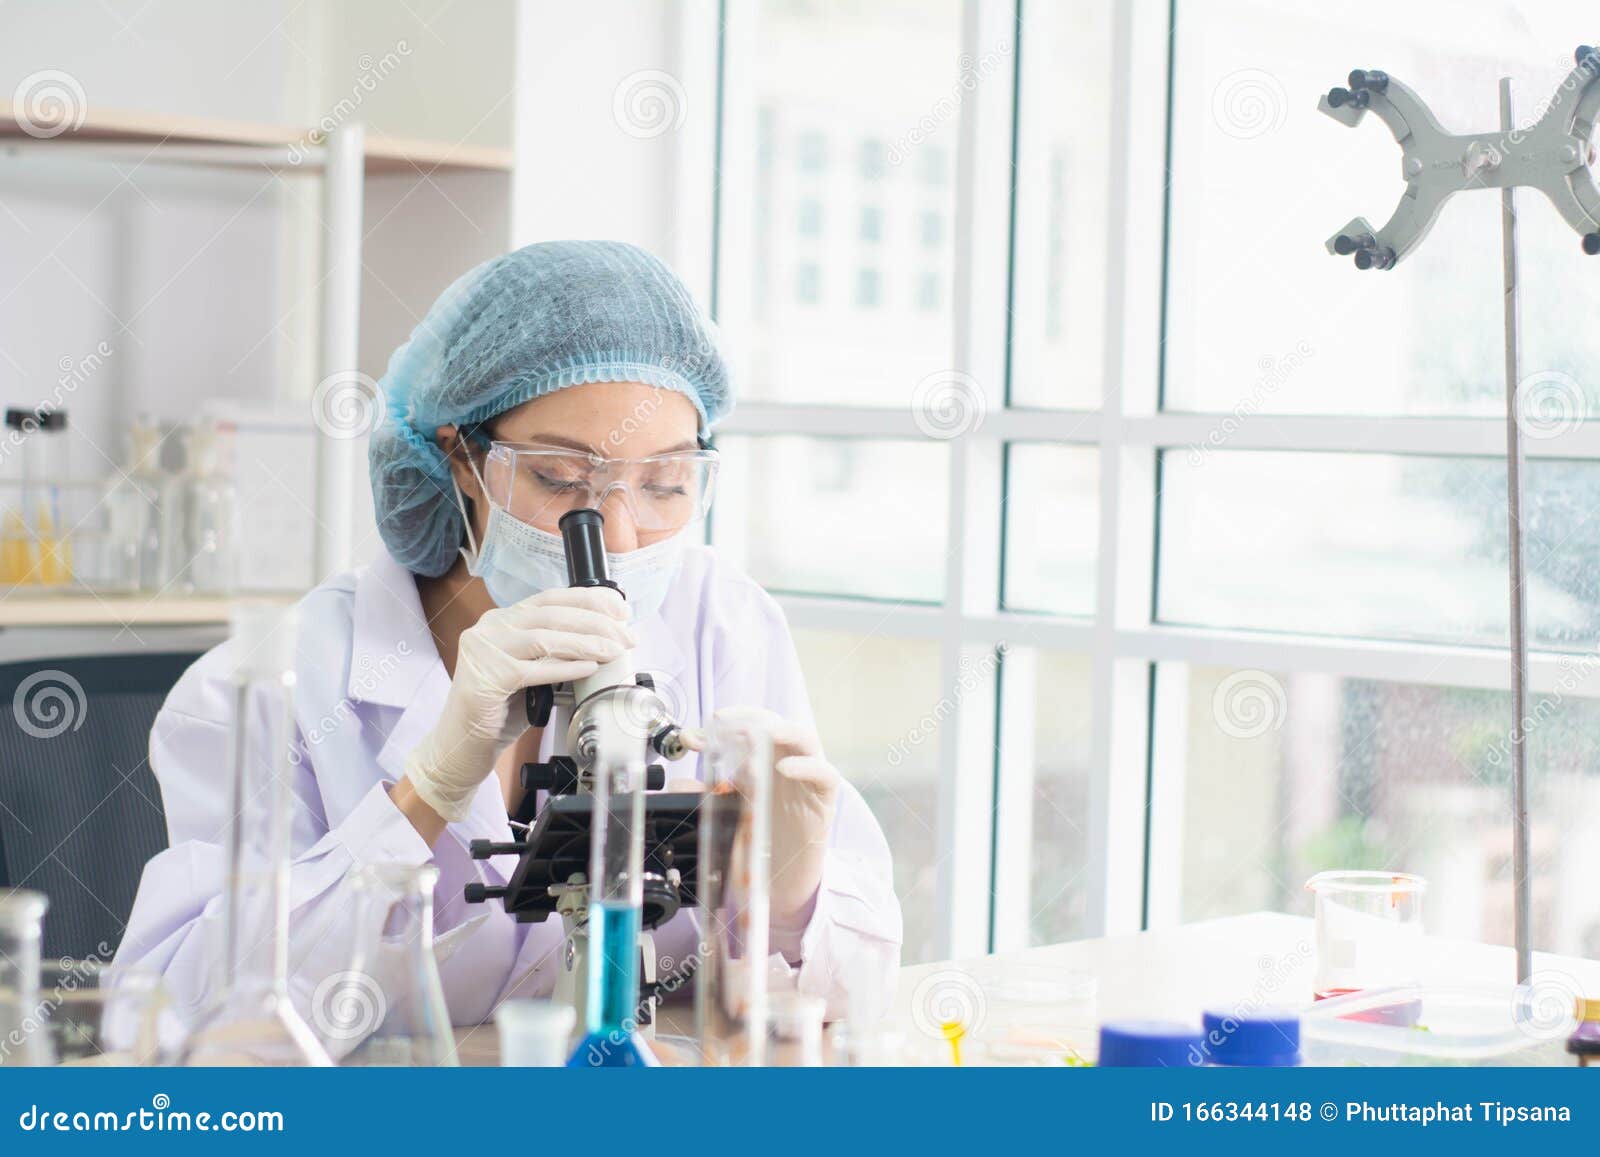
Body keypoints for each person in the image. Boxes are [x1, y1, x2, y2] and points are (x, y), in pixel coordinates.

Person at [118, 241, 902, 1046]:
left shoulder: (724, 624)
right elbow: (187, 1025)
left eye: (665, 483)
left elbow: (854, 992)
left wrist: (794, 887)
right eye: (561, 478)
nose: (619, 534)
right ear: (460, 458)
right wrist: (425, 792)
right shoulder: (264, 688)